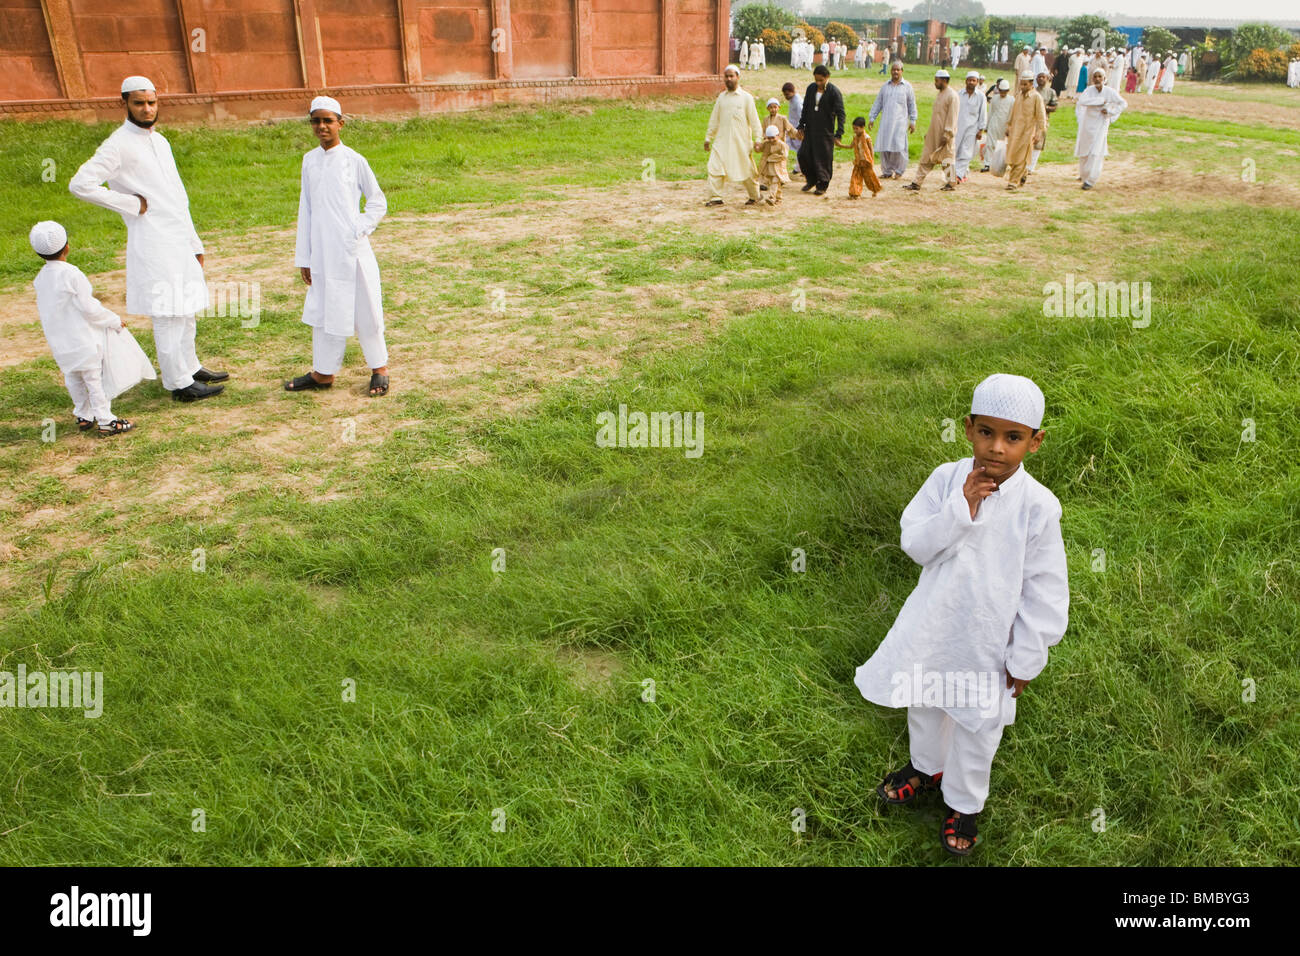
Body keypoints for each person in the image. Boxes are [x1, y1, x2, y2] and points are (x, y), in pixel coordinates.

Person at [855, 373, 1068, 856]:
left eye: (1012, 437)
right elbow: (917, 545)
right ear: (968, 428)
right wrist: (962, 505)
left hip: (989, 642)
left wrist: (1026, 657)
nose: (996, 447)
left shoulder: (1038, 507)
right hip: (934, 625)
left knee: (977, 724)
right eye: (986, 432)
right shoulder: (946, 479)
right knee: (925, 699)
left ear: (1034, 443)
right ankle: (926, 767)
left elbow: (1045, 590)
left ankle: (965, 804)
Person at [69, 75, 227, 403]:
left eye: (151, 102)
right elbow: (80, 184)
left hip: (179, 237)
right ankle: (178, 383)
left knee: (186, 306)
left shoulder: (161, 141)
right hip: (154, 241)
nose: (146, 109)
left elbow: (177, 197)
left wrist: (195, 243)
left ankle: (191, 366)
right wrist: (131, 204)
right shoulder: (117, 144)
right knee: (168, 311)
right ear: (124, 103)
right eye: (139, 103)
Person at [283, 96, 392, 397]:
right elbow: (306, 209)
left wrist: (356, 228)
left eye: (328, 120)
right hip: (322, 253)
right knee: (325, 311)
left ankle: (379, 368)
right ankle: (323, 372)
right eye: (316, 121)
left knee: (366, 308)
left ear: (340, 123)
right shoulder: (309, 161)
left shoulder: (354, 160)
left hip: (352, 251)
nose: (321, 126)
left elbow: (377, 201)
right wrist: (304, 257)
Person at [29, 220, 154, 437]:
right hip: (82, 340)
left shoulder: (40, 278)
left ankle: (84, 415)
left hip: (59, 341)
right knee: (94, 379)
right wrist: (114, 320)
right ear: (67, 246)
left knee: (73, 376)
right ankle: (106, 421)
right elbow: (89, 309)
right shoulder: (72, 274)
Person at [904, 70, 959, 192]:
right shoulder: (940, 94)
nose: (935, 83)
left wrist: (947, 133)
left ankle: (951, 183)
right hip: (934, 133)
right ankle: (916, 182)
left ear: (944, 80)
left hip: (946, 135)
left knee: (947, 159)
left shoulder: (952, 96)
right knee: (926, 157)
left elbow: (952, 117)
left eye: (937, 80)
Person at [796, 64, 845, 195]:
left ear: (827, 77)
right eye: (816, 80)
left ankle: (822, 184)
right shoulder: (811, 89)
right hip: (811, 129)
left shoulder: (834, 92)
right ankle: (811, 180)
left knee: (823, 158)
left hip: (825, 131)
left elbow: (841, 113)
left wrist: (839, 133)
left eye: (821, 80)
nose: (818, 83)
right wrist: (801, 125)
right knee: (803, 155)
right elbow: (805, 108)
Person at [1075, 69, 1126, 190]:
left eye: (1100, 77)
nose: (1097, 79)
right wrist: (1100, 101)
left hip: (1101, 125)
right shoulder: (1089, 90)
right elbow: (1082, 101)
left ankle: (1091, 180)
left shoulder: (1110, 92)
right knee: (1084, 151)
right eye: (1095, 77)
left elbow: (1123, 103)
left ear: (1104, 78)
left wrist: (1110, 111)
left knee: (1096, 152)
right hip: (1087, 124)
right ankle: (1084, 175)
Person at [868, 61, 917, 180]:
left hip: (900, 123)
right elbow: (878, 103)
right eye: (893, 69)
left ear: (902, 71)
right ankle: (887, 171)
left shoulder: (907, 87)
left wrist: (913, 121)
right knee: (885, 147)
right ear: (890, 71)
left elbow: (912, 104)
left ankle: (899, 171)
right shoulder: (885, 86)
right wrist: (872, 118)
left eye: (898, 70)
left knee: (900, 147)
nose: (895, 72)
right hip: (886, 121)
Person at [1003, 72, 1047, 191]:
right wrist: (1008, 126)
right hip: (1015, 132)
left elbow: (1041, 117)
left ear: (1031, 84)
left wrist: (1039, 132)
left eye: (1024, 84)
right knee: (1012, 156)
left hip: (1028, 133)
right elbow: (1012, 113)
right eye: (1021, 84)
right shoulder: (1018, 96)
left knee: (1021, 157)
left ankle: (1013, 182)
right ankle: (1023, 173)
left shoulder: (1036, 97)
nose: (1022, 87)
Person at [953, 71, 987, 184]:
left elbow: (983, 113)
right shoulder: (959, 94)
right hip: (958, 127)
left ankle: (957, 175)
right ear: (965, 81)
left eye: (974, 80)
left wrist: (981, 129)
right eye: (969, 80)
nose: (971, 82)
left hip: (972, 129)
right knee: (955, 151)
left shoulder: (981, 96)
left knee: (966, 152)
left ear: (977, 82)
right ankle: (963, 172)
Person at [838, 117, 882, 199]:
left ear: (863, 127)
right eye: (854, 129)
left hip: (866, 161)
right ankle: (855, 193)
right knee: (855, 177)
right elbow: (851, 146)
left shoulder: (867, 138)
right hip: (858, 161)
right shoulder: (855, 137)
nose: (855, 131)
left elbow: (871, 150)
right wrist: (840, 145)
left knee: (870, 178)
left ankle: (875, 190)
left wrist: (872, 161)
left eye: (856, 129)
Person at [1029, 70, 1058, 173]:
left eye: (1043, 77)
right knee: (1029, 141)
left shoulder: (1051, 92)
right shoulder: (1032, 91)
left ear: (1047, 79)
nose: (1041, 79)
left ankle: (1031, 167)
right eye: (1039, 77)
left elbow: (1054, 107)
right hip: (1031, 119)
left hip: (1043, 119)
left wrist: (1043, 107)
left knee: (1038, 142)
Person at [983, 78, 1013, 171]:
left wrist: (1010, 127)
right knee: (989, 144)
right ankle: (987, 164)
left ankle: (1000, 164)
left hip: (1005, 125)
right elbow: (990, 112)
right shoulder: (994, 98)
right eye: (1001, 91)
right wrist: (987, 126)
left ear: (1008, 91)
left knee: (1002, 146)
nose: (1002, 93)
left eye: (1004, 91)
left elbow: (1012, 114)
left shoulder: (1012, 100)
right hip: (994, 123)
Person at [755, 125, 790, 204]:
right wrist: (757, 147)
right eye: (769, 138)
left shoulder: (782, 145)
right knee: (773, 183)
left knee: (775, 181)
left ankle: (771, 197)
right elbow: (760, 149)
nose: (771, 140)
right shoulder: (766, 143)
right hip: (767, 168)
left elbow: (784, 155)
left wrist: (772, 158)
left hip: (778, 168)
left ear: (778, 136)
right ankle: (779, 198)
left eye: (773, 138)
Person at [781, 83, 804, 176]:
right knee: (787, 145)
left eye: (787, 94)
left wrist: (801, 130)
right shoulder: (792, 100)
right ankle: (798, 168)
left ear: (793, 91)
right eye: (784, 95)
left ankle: (801, 169)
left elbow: (801, 116)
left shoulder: (798, 102)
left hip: (797, 129)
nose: (786, 97)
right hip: (791, 127)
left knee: (800, 149)